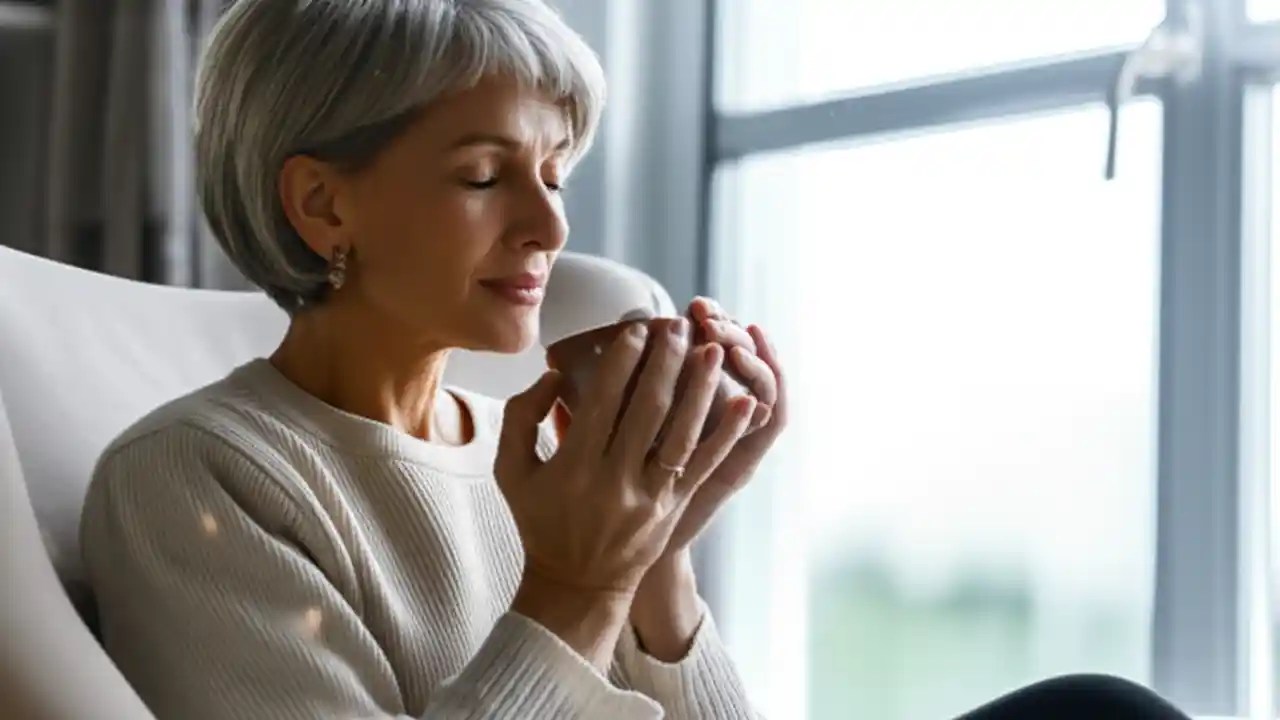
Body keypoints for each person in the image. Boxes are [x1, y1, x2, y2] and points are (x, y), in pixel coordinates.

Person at [78, 1, 1193, 718]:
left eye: (554, 173)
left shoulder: (543, 456)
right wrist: (577, 585)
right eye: (483, 176)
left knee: (1097, 711)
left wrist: (659, 557)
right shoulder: (198, 480)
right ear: (323, 204)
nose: (548, 227)